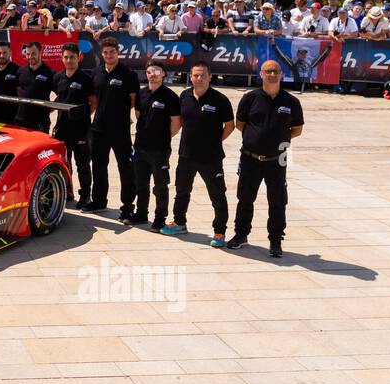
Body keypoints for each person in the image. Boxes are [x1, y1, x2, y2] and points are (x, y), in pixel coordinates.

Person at [230, 60, 304, 258]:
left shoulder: (291, 102)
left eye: (275, 71)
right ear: (261, 74)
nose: (272, 74)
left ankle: (276, 241)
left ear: (281, 74)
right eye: (268, 71)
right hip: (250, 158)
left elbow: (297, 129)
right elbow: (240, 124)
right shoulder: (250, 98)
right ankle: (240, 235)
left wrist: (277, 139)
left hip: (277, 160)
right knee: (245, 198)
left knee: (278, 201)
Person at [162, 60, 235, 246]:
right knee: (182, 191)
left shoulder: (220, 100)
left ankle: (219, 232)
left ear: (210, 77)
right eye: (196, 75)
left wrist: (215, 141)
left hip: (211, 158)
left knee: (217, 195)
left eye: (203, 75)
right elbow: (178, 122)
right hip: (186, 155)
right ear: (191, 76)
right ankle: (179, 222)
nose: (199, 78)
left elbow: (230, 126)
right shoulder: (184, 96)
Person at [87, 37, 139, 219]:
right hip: (98, 128)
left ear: (118, 52)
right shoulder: (96, 73)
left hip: (120, 129)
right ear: (102, 54)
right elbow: (93, 99)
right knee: (99, 166)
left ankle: (127, 206)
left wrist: (119, 113)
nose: (109, 55)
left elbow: (133, 100)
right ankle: (99, 201)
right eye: (106, 52)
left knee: (125, 168)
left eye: (112, 52)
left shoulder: (128, 74)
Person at [129, 60, 181, 231]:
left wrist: (164, 138)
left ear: (164, 74)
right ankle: (141, 213)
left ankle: (159, 218)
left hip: (159, 150)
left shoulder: (170, 97)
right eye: (150, 71)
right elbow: (138, 115)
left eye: (157, 71)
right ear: (146, 74)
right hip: (141, 147)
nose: (153, 74)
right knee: (141, 183)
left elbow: (176, 123)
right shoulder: (141, 93)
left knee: (160, 186)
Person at [52, 42, 95, 207]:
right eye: (66, 57)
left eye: (72, 57)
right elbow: (60, 97)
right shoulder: (58, 77)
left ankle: (85, 195)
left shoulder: (85, 79)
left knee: (82, 165)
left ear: (79, 58)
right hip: (61, 129)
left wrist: (82, 116)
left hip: (81, 130)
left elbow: (93, 102)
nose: (69, 60)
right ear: (62, 58)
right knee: (63, 163)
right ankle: (67, 192)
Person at [14, 41, 56, 133]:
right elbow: (16, 90)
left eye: (33, 54)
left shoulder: (50, 73)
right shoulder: (21, 71)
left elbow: (61, 94)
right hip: (20, 120)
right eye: (28, 54)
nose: (30, 57)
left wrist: (50, 108)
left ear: (40, 53)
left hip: (40, 121)